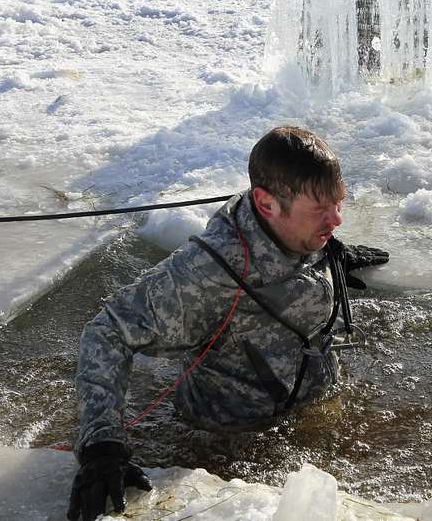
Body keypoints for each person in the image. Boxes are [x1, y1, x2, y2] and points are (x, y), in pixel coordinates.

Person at [66, 126, 389, 521]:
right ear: (266, 204)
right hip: (231, 444)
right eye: (321, 209)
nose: (336, 218)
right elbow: (107, 332)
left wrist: (329, 256)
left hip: (312, 408)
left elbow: (313, 224)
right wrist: (102, 446)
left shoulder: (294, 223)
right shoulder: (206, 272)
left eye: (339, 203)